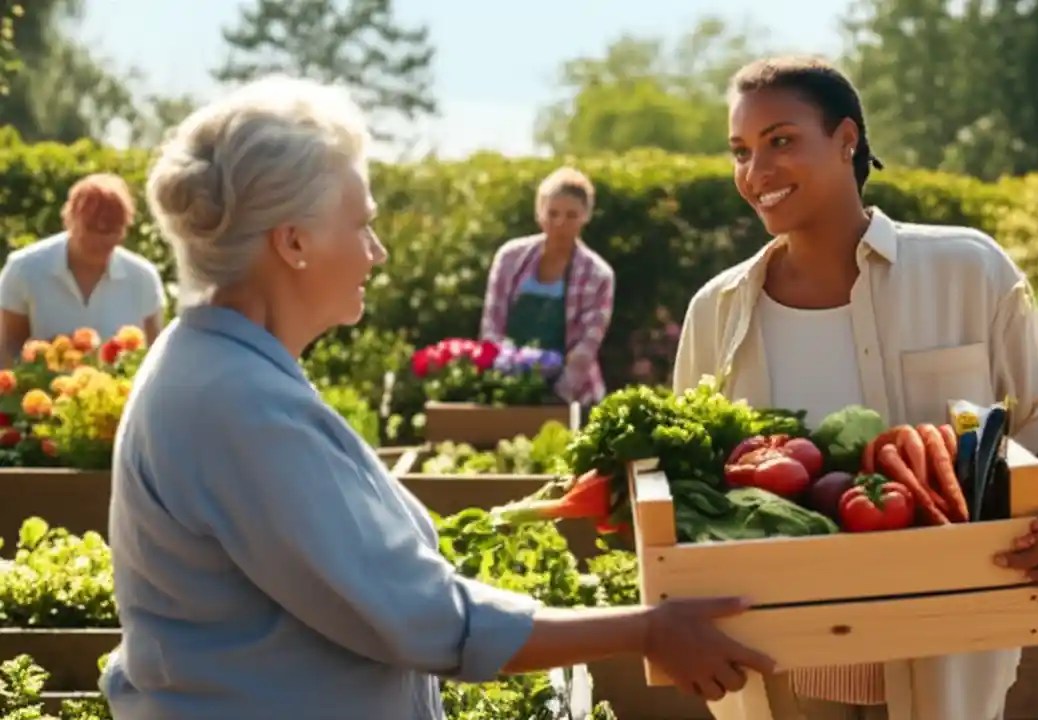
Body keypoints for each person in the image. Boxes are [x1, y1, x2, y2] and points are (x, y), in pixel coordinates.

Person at [102, 76, 772, 720]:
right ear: (295, 242)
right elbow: (428, 619)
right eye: (362, 224)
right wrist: (649, 629)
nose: (378, 251)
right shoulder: (236, 403)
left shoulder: (217, 369)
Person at [672, 56, 1038, 720]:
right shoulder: (717, 311)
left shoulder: (968, 270)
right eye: (741, 151)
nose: (756, 174)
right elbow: (686, 484)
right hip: (781, 654)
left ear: (847, 140)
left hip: (945, 640)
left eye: (781, 140)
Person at [480, 167, 615, 408]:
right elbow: (492, 325)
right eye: (552, 213)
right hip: (508, 389)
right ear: (539, 214)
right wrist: (506, 381)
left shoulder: (598, 275)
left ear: (586, 216)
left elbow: (587, 345)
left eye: (571, 215)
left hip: (572, 397)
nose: (560, 223)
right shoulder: (510, 258)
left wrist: (554, 398)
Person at [0, 173, 166, 365]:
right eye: (90, 227)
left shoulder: (142, 278)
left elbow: (156, 357)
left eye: (110, 230)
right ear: (70, 220)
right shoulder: (25, 269)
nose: (99, 239)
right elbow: (7, 346)